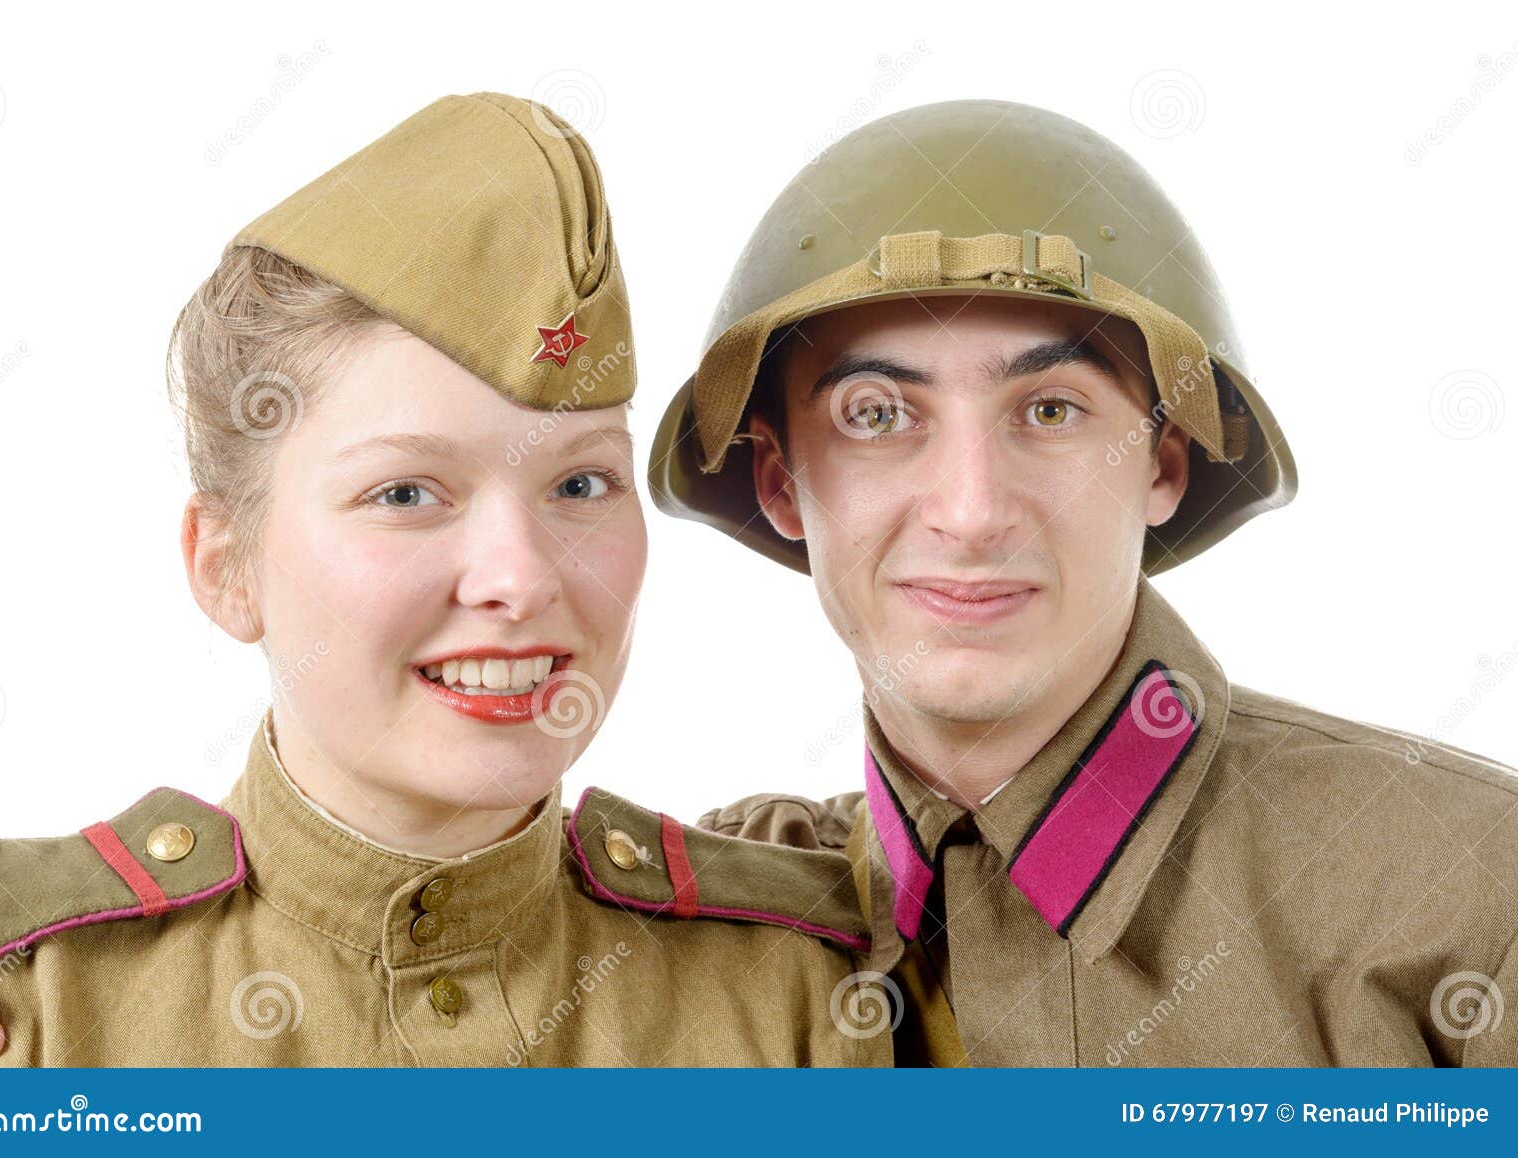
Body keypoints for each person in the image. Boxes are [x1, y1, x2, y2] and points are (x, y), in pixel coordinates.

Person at [0, 92, 884, 1067]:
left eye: (580, 481)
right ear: (226, 567)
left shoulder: (802, 985)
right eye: (407, 492)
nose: (518, 577)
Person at [650, 99, 1518, 1066]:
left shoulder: (1476, 901)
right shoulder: (708, 937)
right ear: (779, 481)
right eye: (877, 414)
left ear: (1164, 463)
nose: (972, 512)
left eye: (1052, 409)